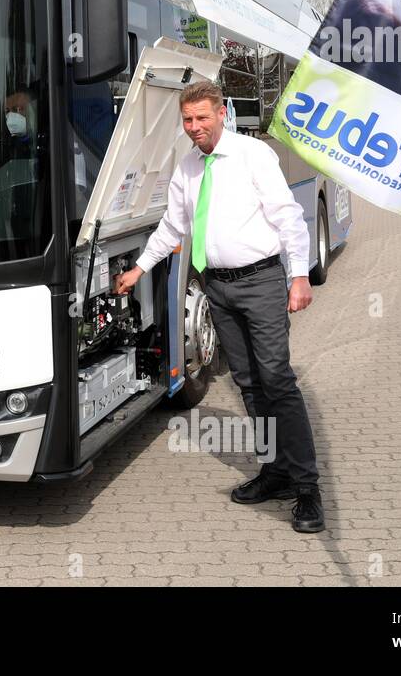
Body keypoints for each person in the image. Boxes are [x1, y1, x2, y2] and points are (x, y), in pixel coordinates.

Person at [113, 81, 325, 534]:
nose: (194, 128)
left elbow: (287, 215)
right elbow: (172, 226)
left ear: (221, 114)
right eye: (187, 120)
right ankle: (276, 473)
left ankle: (308, 488)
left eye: (202, 118)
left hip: (261, 282)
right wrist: (139, 268)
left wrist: (300, 274)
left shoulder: (252, 155)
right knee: (249, 384)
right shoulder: (187, 167)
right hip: (219, 289)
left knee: (277, 381)